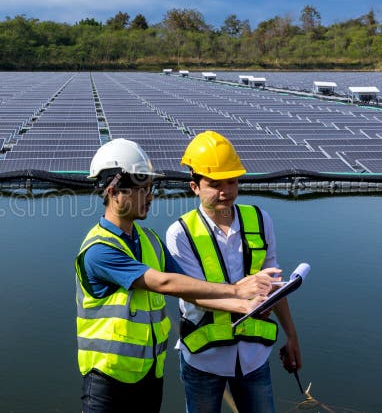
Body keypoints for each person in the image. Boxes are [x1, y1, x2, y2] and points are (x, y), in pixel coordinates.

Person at [75, 138, 281, 413]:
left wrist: (246, 307)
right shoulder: (99, 250)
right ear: (114, 192)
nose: (150, 196)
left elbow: (193, 289)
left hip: (148, 376)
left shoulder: (149, 240)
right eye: (142, 189)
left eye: (151, 188)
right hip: (108, 380)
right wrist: (236, 291)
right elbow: (165, 283)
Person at [165, 130, 302, 413]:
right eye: (214, 184)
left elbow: (273, 285)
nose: (225, 191)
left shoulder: (260, 220)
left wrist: (292, 335)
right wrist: (248, 304)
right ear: (195, 187)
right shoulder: (180, 233)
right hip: (204, 359)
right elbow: (194, 294)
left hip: (253, 356)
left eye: (232, 181)